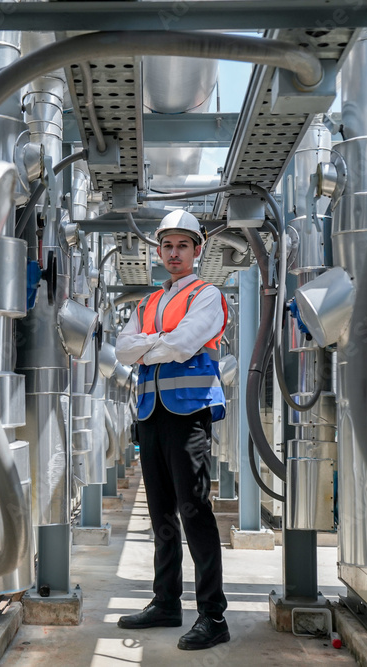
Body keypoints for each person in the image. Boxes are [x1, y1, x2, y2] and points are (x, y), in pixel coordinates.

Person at [114, 209, 230, 651]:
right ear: (159, 251)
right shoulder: (146, 303)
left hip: (189, 414)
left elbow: (184, 345)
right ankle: (166, 602)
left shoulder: (208, 294)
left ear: (197, 251)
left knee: (194, 510)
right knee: (160, 513)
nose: (174, 253)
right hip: (151, 416)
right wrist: (153, 347)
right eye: (167, 245)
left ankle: (212, 616)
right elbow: (124, 349)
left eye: (183, 245)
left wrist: (150, 348)